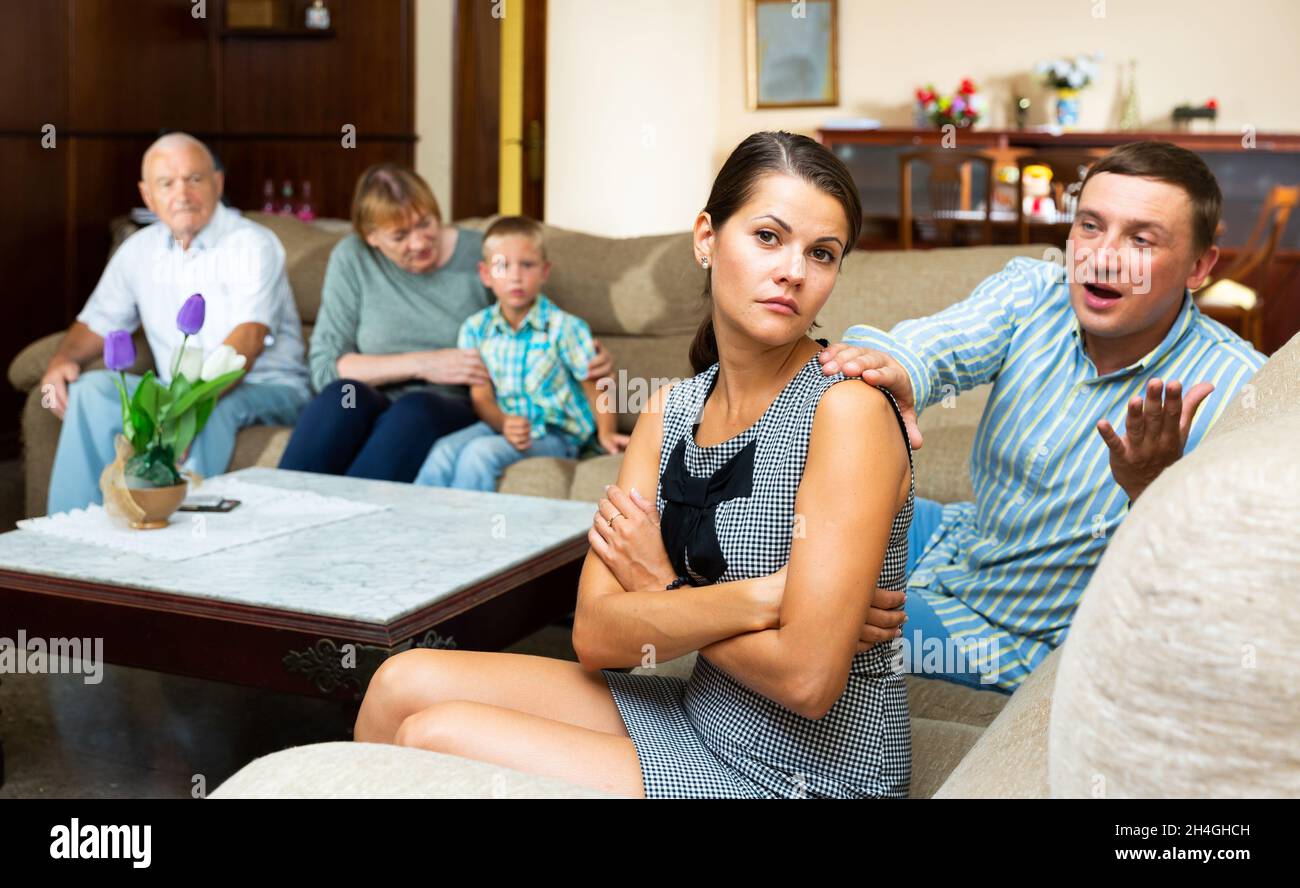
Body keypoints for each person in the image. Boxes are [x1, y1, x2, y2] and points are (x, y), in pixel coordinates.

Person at [354, 131, 916, 799]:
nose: (793, 270)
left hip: (805, 776)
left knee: (433, 737)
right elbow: (595, 633)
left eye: (821, 253)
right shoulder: (667, 410)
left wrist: (663, 587)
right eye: (768, 236)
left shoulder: (845, 410)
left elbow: (806, 680)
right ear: (706, 238)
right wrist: (765, 598)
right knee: (399, 683)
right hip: (701, 715)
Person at [818, 140, 1266, 693]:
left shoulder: (1239, 389)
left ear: (1199, 266)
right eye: (1090, 226)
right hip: (959, 541)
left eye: (1141, 239)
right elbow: (935, 345)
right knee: (776, 527)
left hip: (1016, 633)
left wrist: (1152, 492)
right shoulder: (1034, 291)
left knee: (823, 619)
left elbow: (1226, 584)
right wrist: (898, 369)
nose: (1101, 256)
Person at [277, 164, 614, 482]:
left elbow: (530, 322)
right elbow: (325, 368)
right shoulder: (352, 258)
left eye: (426, 223)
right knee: (339, 396)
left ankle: (353, 525)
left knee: (413, 409)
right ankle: (280, 510)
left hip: (452, 403)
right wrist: (423, 364)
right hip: (374, 397)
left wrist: (591, 362)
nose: (420, 242)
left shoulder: (478, 254)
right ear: (372, 237)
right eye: (400, 235)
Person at [41, 132, 310, 514]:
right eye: (166, 183)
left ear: (218, 183)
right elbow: (98, 322)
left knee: (208, 407)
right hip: (176, 388)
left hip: (266, 387)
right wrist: (62, 359)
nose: (182, 194)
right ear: (147, 195)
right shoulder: (139, 249)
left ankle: (186, 532)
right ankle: (69, 531)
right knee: (91, 391)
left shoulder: (252, 243)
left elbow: (248, 339)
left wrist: (188, 401)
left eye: (194, 179)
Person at [414, 216, 628, 490]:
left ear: (544, 272)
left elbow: (597, 387)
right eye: (502, 266)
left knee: (479, 454)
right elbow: (481, 396)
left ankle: (463, 530)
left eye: (527, 265)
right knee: (443, 450)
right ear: (485, 275)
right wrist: (503, 423)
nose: (515, 276)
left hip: (557, 435)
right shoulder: (476, 329)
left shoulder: (565, 327)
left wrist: (607, 432)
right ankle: (420, 528)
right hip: (501, 425)